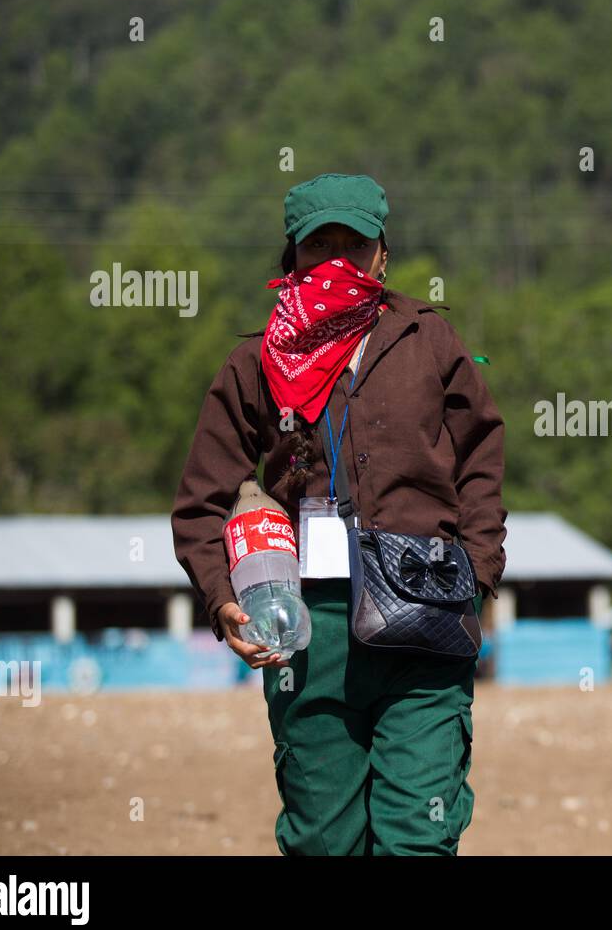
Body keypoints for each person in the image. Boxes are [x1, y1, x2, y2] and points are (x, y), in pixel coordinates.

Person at [171, 173, 506, 855]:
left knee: (420, 833)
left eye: (353, 244)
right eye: (317, 244)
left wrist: (477, 572)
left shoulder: (432, 344)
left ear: (382, 254)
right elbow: (203, 501)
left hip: (427, 613)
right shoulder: (253, 364)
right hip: (302, 627)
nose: (335, 260)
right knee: (323, 839)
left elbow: (481, 463)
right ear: (289, 257)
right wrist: (221, 598)